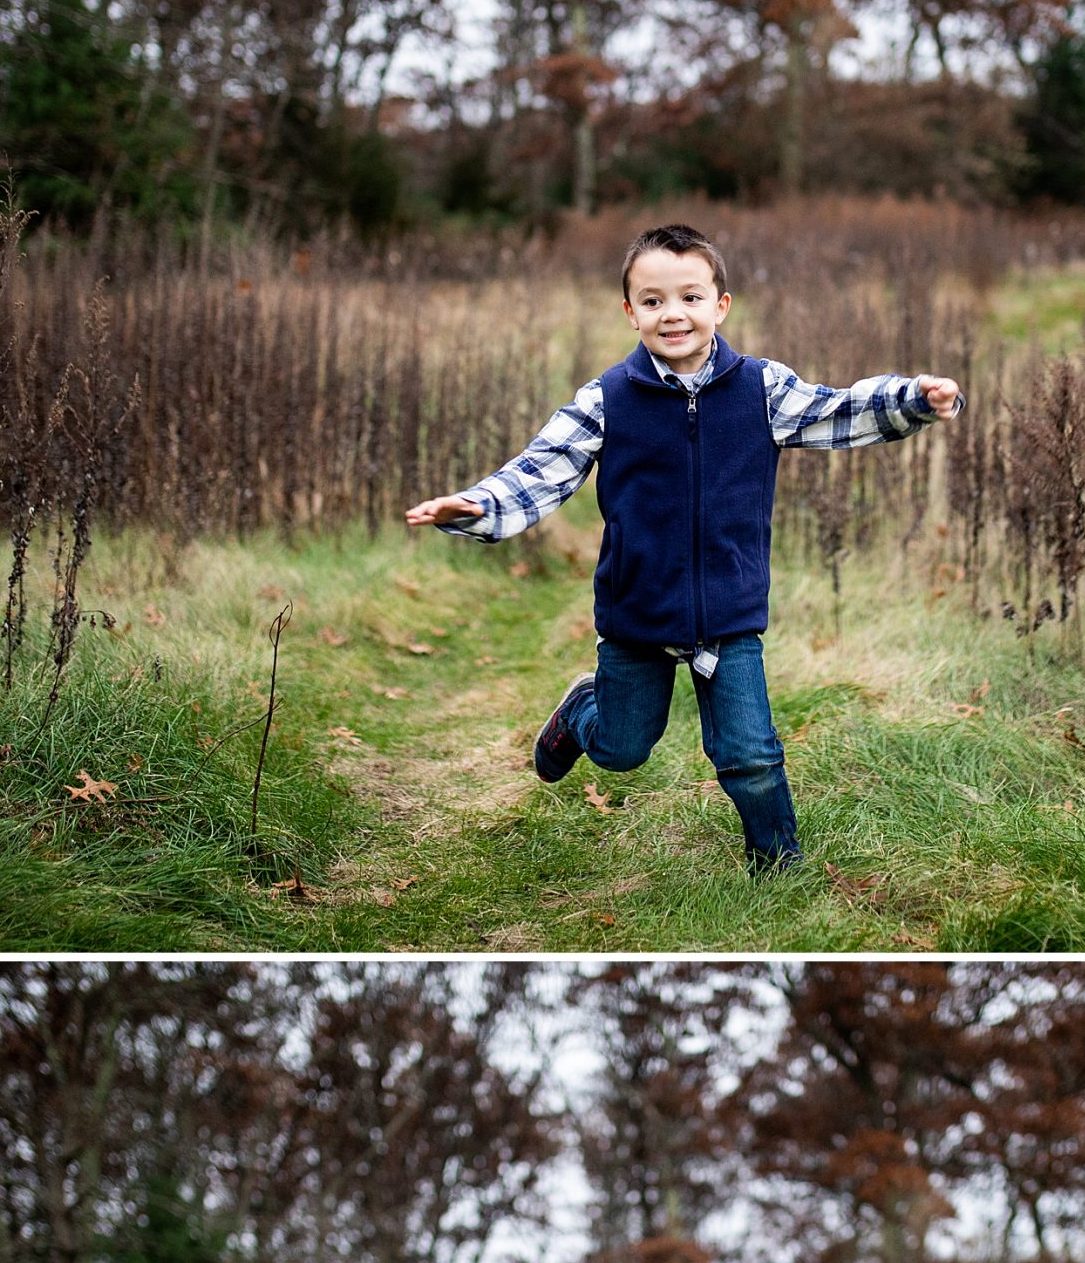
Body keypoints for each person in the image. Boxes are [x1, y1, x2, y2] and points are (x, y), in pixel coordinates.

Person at [405, 222, 964, 869]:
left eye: (691, 297)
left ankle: (776, 864)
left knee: (749, 755)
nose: (673, 314)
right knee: (621, 749)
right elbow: (542, 468)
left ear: (720, 305)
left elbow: (836, 410)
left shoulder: (762, 389)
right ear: (629, 312)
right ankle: (584, 709)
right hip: (637, 613)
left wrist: (913, 399)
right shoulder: (608, 400)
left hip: (728, 613)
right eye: (653, 300)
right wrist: (478, 507)